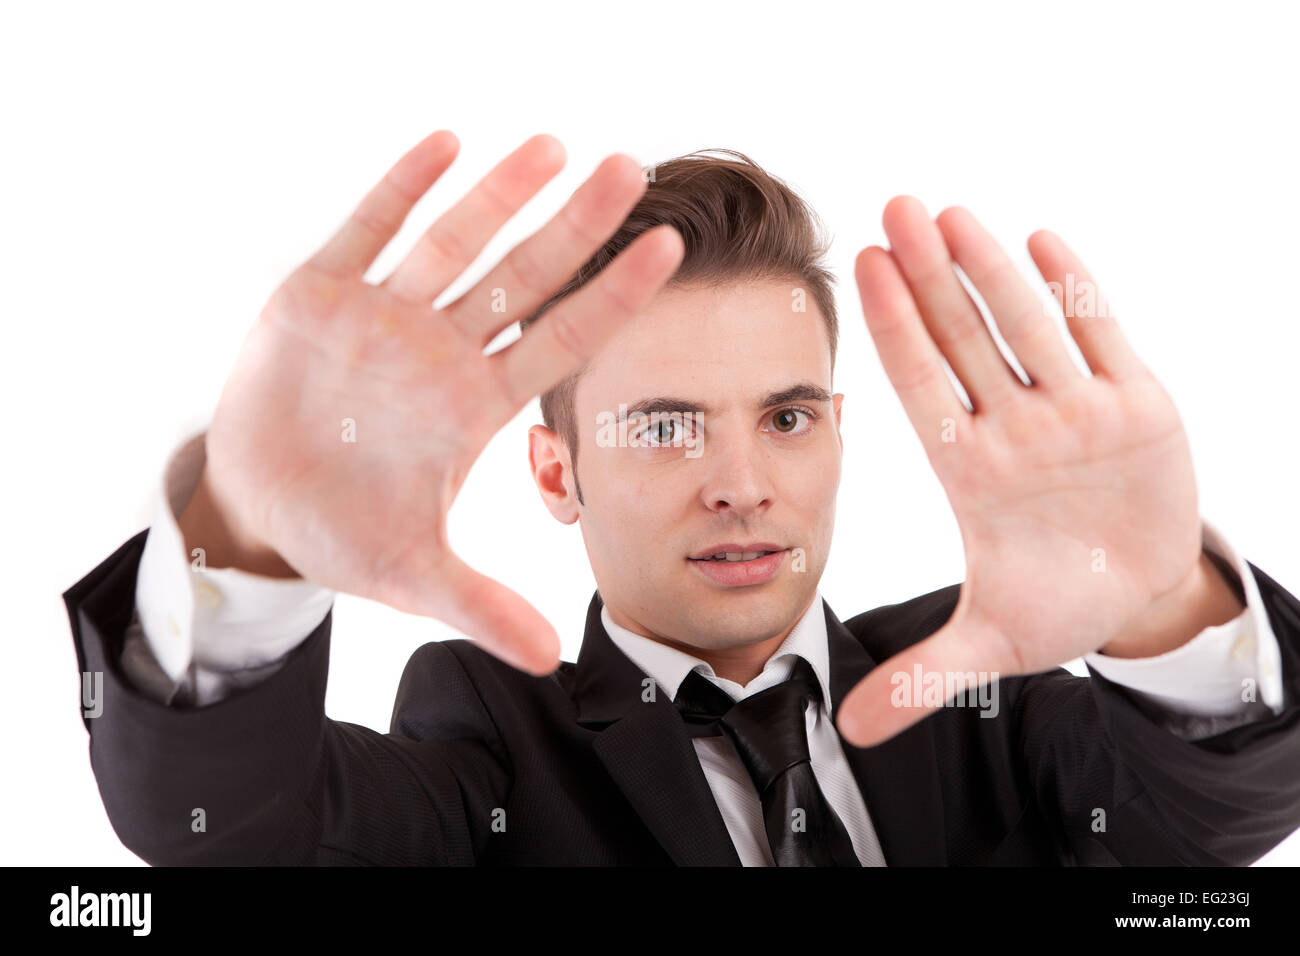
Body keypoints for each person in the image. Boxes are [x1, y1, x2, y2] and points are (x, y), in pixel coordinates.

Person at [64, 131, 1300, 866]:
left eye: (788, 415)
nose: (743, 485)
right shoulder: (488, 731)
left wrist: (1159, 602)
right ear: (559, 472)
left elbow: (1210, 827)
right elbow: (221, 823)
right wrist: (248, 534)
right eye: (663, 426)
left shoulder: (979, 696)